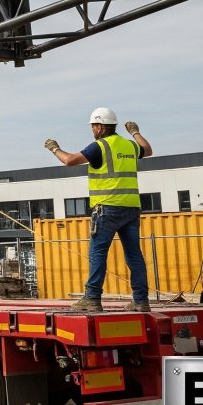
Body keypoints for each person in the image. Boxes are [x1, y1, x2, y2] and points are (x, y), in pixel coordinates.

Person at [45, 108, 153, 312]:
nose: (92, 130)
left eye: (93, 126)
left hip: (107, 208)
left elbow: (69, 161)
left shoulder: (100, 146)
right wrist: (135, 132)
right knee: (134, 255)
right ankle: (141, 301)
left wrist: (54, 149)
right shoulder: (130, 145)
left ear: (100, 126)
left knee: (98, 254)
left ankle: (92, 298)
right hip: (131, 208)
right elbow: (147, 150)